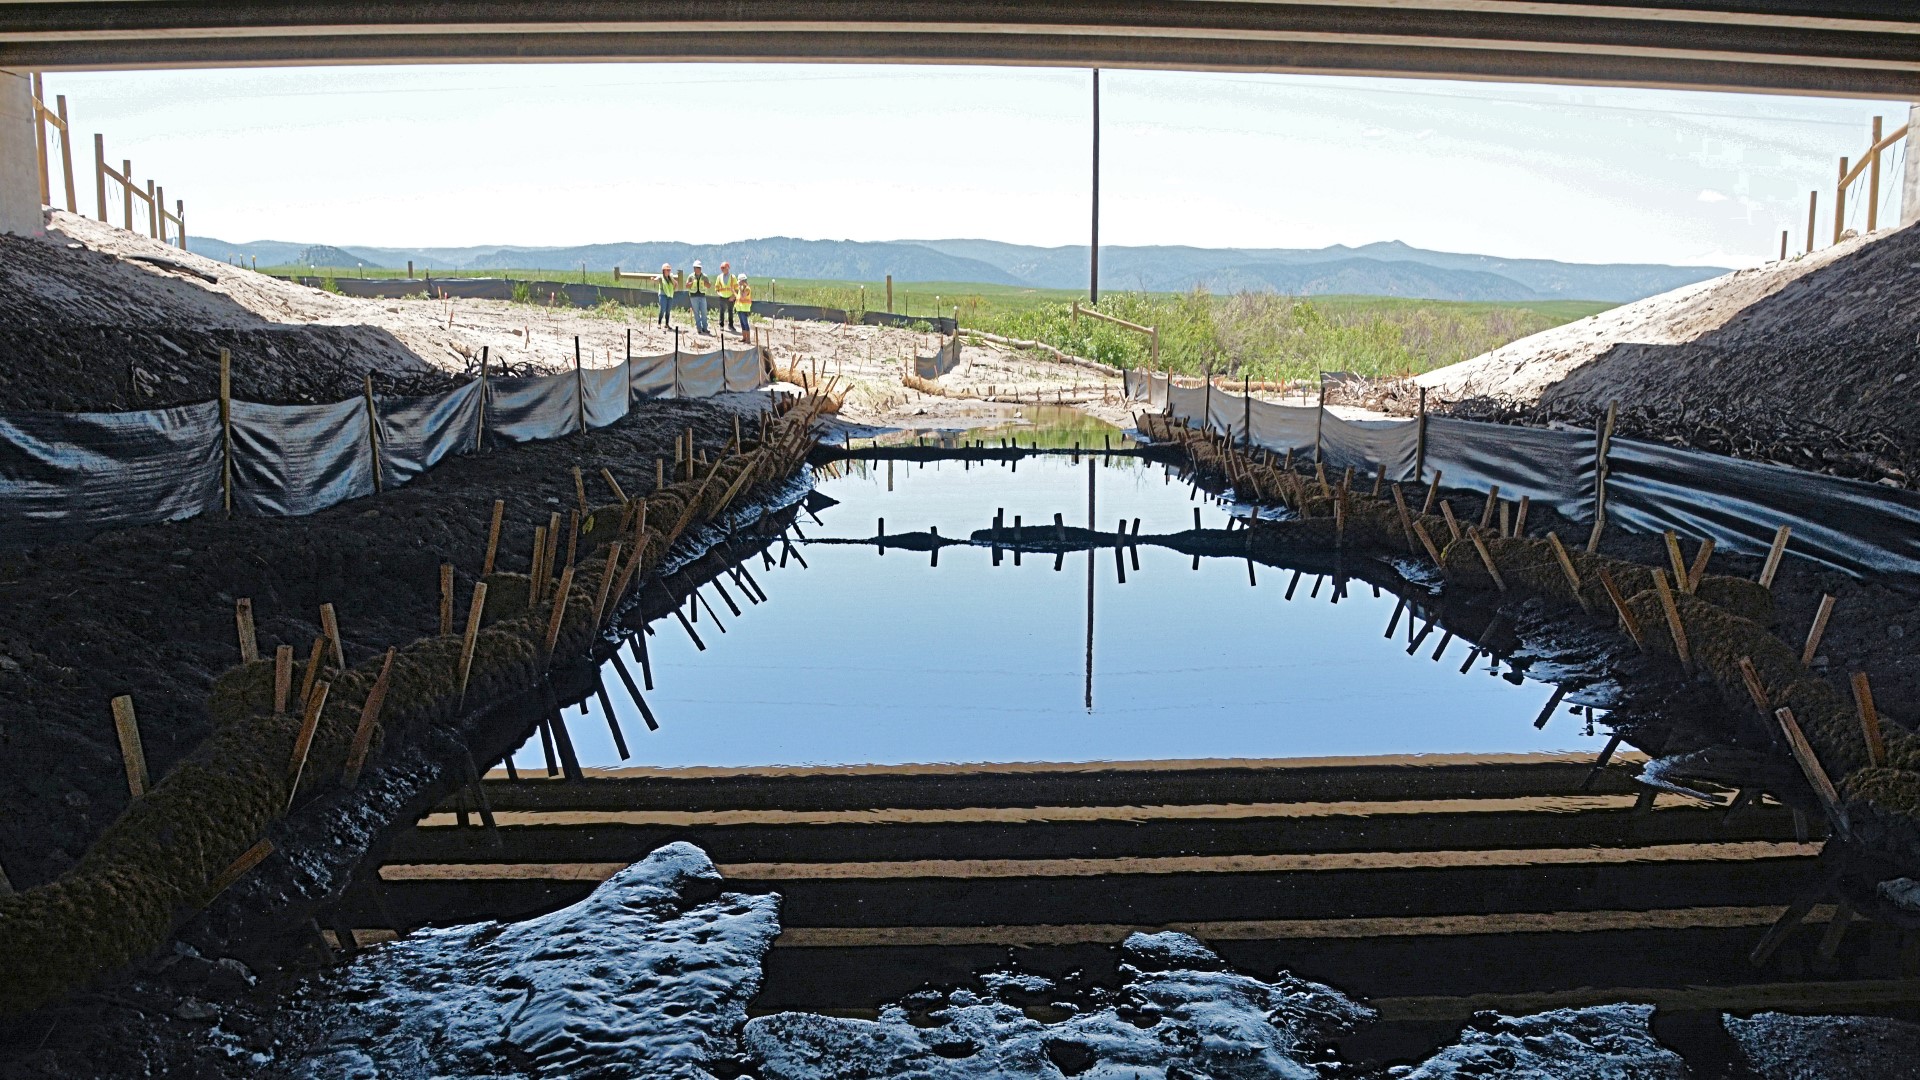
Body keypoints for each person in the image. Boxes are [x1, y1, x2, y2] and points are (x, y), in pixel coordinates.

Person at [686, 259, 711, 336]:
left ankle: (705, 328)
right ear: (694, 268)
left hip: (702, 296)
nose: (698, 269)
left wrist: (705, 282)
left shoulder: (705, 276)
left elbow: (709, 286)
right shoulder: (690, 276)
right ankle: (699, 328)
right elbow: (687, 286)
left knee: (704, 312)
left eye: (699, 267)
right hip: (693, 296)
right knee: (696, 313)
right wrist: (691, 283)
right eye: (696, 267)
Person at [714, 261, 737, 333]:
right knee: (722, 311)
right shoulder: (719, 277)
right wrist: (718, 293)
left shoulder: (733, 277)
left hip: (730, 297)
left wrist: (733, 296)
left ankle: (731, 325)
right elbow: (716, 287)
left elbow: (736, 288)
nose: (723, 269)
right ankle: (721, 325)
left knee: (730, 311)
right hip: (722, 297)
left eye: (725, 268)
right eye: (722, 268)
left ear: (728, 268)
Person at [655, 263, 676, 328]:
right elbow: (657, 279)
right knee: (662, 309)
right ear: (663, 270)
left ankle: (667, 324)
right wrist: (654, 279)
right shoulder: (661, 277)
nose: (668, 271)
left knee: (668, 310)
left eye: (669, 270)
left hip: (670, 296)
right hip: (662, 295)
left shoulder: (671, 278)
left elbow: (675, 284)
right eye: (667, 270)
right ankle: (659, 323)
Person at [734, 274, 753, 343]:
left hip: (745, 309)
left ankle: (748, 339)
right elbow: (739, 297)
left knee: (745, 323)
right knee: (742, 323)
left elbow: (743, 297)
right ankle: (744, 338)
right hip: (740, 308)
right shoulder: (741, 288)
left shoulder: (747, 289)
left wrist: (740, 289)